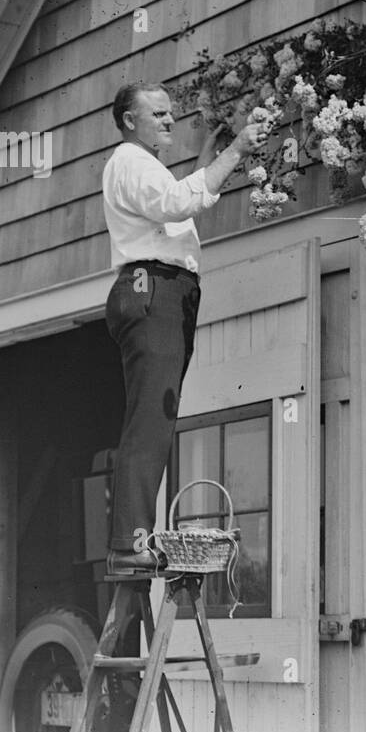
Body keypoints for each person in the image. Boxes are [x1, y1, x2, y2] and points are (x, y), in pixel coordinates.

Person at [101, 82, 260, 575]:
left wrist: (206, 163)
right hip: (154, 288)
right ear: (130, 120)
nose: (170, 120)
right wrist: (234, 152)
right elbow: (175, 206)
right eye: (157, 113)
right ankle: (130, 542)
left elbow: (172, 204)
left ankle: (133, 538)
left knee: (157, 413)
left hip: (164, 289)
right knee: (152, 416)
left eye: (171, 113)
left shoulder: (145, 165)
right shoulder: (130, 161)